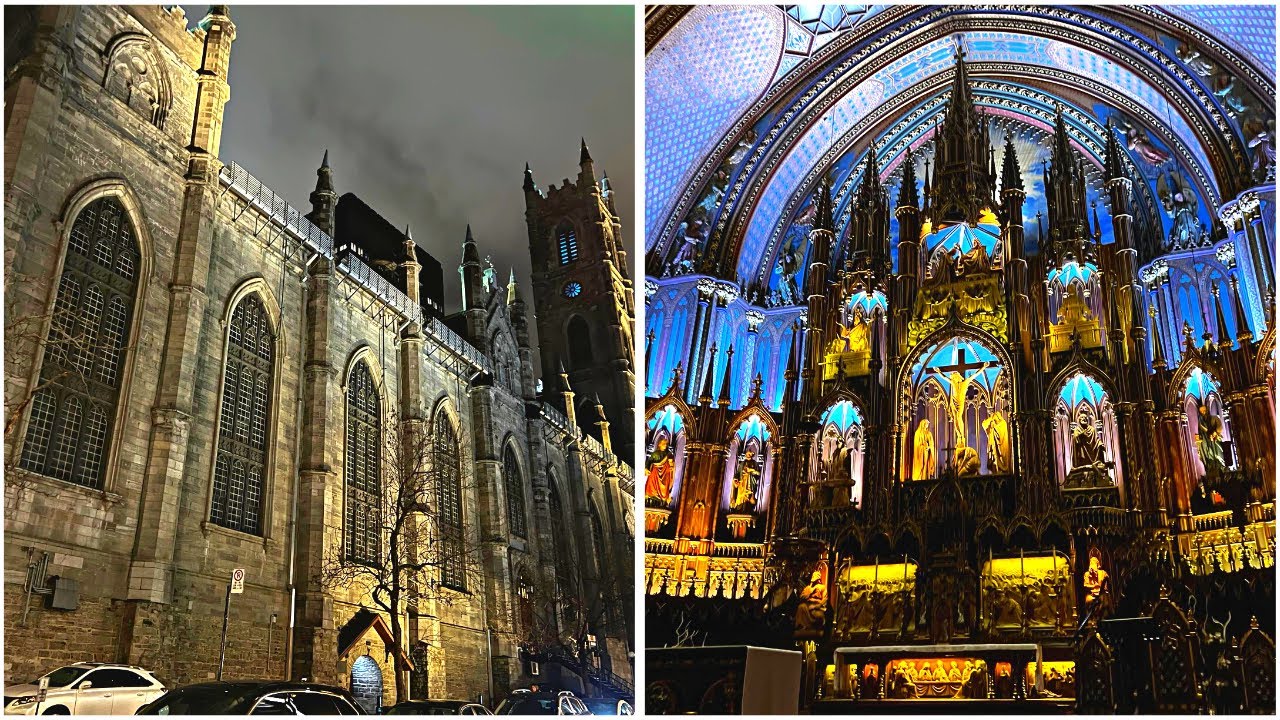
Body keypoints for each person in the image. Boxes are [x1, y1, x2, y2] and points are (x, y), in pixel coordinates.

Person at [644, 435, 676, 504]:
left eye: (666, 444)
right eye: (663, 444)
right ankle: (650, 497)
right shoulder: (655, 453)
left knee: (664, 489)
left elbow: (672, 463)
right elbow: (649, 461)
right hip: (655, 472)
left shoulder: (668, 453)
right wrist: (646, 468)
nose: (665, 446)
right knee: (651, 486)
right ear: (659, 444)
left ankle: (663, 500)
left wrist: (671, 466)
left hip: (665, 473)